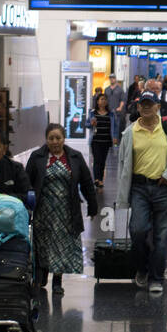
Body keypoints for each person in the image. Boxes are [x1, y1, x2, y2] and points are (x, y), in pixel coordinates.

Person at [116, 92, 167, 295]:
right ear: (138, 108)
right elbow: (123, 165)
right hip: (139, 188)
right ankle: (143, 266)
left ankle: (156, 277)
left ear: (158, 106)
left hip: (163, 188)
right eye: (143, 105)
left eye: (150, 104)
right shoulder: (130, 132)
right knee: (138, 231)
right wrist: (122, 195)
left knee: (161, 235)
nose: (146, 107)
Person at [26, 124, 98, 299]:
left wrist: (92, 204)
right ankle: (40, 276)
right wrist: (25, 206)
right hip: (43, 211)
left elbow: (87, 182)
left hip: (66, 211)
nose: (55, 142)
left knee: (60, 247)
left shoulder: (75, 157)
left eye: (58, 138)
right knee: (41, 244)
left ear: (64, 139)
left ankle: (57, 282)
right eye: (51, 138)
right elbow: (26, 182)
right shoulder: (37, 157)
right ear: (46, 139)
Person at [87, 93, 115, 188]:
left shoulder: (111, 114)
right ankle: (97, 179)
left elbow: (114, 127)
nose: (104, 101)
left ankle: (101, 179)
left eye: (105, 99)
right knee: (97, 160)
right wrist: (91, 123)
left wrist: (115, 137)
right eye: (102, 99)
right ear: (97, 101)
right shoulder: (92, 113)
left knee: (103, 161)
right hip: (95, 140)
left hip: (106, 141)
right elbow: (87, 125)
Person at [107, 76, 126, 145]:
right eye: (110, 78)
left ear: (115, 79)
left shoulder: (120, 89)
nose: (112, 79)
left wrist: (120, 107)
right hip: (108, 111)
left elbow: (122, 100)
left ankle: (115, 142)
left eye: (113, 78)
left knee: (116, 127)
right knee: (108, 126)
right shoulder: (107, 89)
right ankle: (109, 141)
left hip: (116, 112)